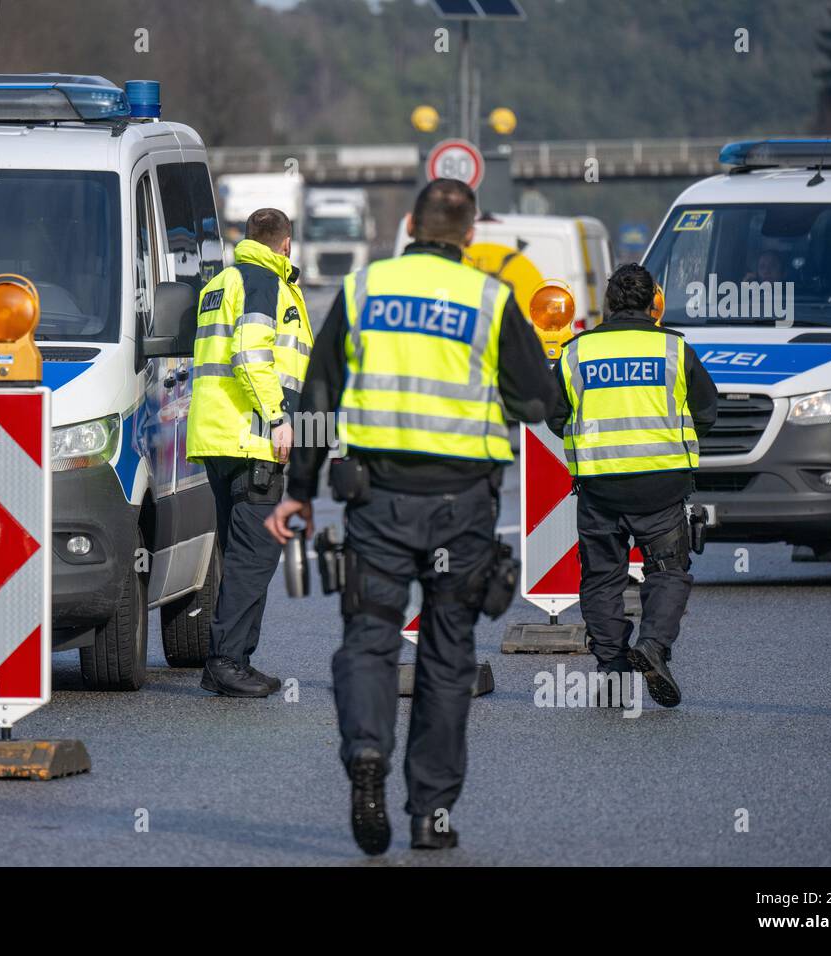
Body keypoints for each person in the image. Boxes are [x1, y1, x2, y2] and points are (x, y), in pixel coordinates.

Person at [267, 180, 557, 855]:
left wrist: (301, 490)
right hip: (463, 508)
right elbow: (539, 400)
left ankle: (367, 753)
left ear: (407, 224)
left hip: (377, 501)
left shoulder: (365, 289)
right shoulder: (491, 298)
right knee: (448, 656)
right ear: (472, 233)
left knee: (369, 638)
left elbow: (318, 389)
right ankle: (432, 814)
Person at [546, 263, 717, 708]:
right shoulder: (674, 350)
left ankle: (614, 670)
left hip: (600, 488)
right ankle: (653, 647)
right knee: (668, 571)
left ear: (608, 304)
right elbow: (707, 412)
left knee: (602, 578)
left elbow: (552, 413)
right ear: (653, 304)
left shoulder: (576, 352)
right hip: (661, 486)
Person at [186, 208, 313, 698]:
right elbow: (251, 353)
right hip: (252, 437)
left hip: (219, 437)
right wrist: (279, 419)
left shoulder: (222, 282)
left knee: (240, 554)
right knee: (254, 557)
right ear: (285, 244)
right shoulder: (263, 282)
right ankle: (227, 662)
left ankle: (231, 660)